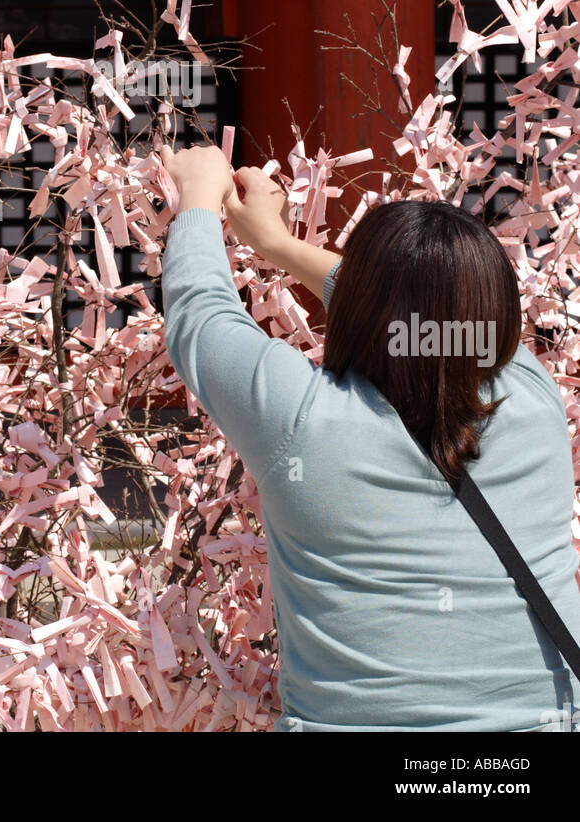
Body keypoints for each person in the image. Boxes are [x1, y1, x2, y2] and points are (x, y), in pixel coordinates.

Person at [158, 141, 580, 732]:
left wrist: (198, 198)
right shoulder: (534, 397)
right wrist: (278, 245)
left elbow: (200, 315)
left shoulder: (302, 420)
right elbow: (426, 329)